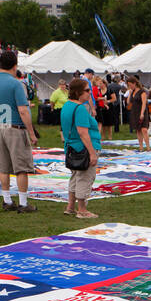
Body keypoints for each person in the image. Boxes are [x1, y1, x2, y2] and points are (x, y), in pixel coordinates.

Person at [0, 49, 38, 212]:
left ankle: (7, 200)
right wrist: (31, 132)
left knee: (4, 167)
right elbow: (23, 110)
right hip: (14, 127)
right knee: (21, 167)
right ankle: (23, 203)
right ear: (15, 64)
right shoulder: (16, 84)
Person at [60, 78, 101, 219]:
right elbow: (83, 133)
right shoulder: (80, 109)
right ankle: (82, 210)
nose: (90, 93)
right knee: (85, 177)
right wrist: (92, 153)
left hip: (71, 148)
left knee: (75, 177)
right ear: (78, 92)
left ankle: (70, 206)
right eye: (87, 90)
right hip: (83, 149)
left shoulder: (67, 106)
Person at [126, 75, 148, 148]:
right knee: (138, 130)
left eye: (130, 85)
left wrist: (142, 113)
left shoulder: (142, 91)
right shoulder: (132, 92)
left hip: (142, 111)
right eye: (128, 85)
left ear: (134, 83)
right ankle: (141, 146)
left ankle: (148, 147)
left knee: (144, 129)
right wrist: (129, 93)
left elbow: (144, 103)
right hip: (134, 112)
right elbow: (128, 102)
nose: (130, 86)